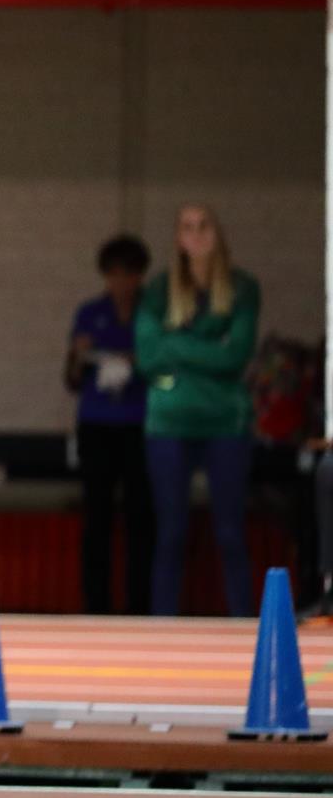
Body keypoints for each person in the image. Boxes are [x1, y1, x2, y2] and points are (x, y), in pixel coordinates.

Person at [135, 205, 259, 617]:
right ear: (178, 238)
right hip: (169, 423)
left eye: (205, 226)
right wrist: (210, 352)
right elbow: (148, 356)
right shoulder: (158, 290)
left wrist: (175, 346)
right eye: (188, 227)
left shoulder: (243, 288)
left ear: (218, 233)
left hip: (226, 422)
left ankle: (244, 626)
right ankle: (162, 628)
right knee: (170, 533)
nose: (197, 234)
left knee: (230, 533)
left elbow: (236, 355)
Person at [65, 235, 154, 614]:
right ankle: (95, 605)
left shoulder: (152, 313)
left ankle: (140, 606)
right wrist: (79, 354)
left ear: (140, 276)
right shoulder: (90, 313)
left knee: (141, 517)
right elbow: (71, 378)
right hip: (97, 425)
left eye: (129, 274)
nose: (122, 282)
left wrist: (136, 360)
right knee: (97, 517)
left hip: (141, 426)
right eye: (114, 274)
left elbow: (163, 367)